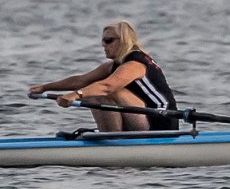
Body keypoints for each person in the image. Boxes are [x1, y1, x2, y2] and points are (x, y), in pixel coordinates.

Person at [28, 21, 179, 132]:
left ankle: (110, 140)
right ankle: (108, 135)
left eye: (108, 40)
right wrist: (45, 87)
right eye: (102, 40)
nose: (103, 45)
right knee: (92, 89)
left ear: (124, 41)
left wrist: (76, 95)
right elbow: (81, 80)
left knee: (102, 90)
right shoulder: (113, 65)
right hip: (142, 117)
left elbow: (108, 87)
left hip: (160, 121)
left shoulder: (135, 64)